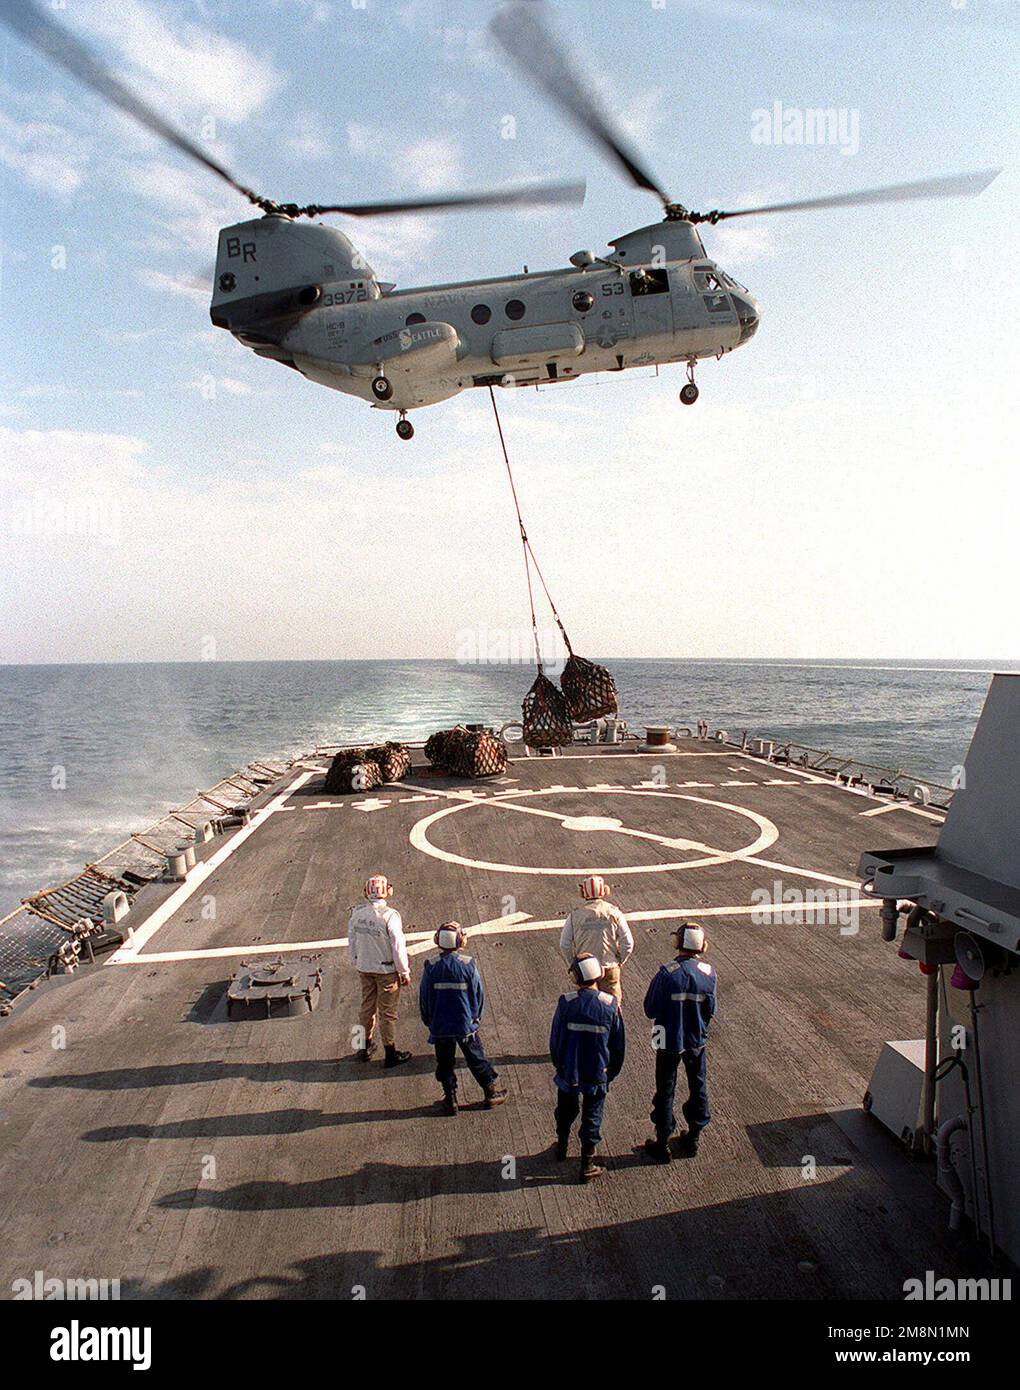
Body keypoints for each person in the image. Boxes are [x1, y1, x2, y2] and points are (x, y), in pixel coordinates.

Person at [642, 923, 717, 1162]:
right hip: (696, 1036)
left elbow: (650, 1009)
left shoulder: (667, 973)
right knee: (698, 1083)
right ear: (702, 947)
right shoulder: (709, 974)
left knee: (665, 1087)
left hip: (665, 1035)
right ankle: (694, 1136)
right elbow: (710, 1010)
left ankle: (662, 1141)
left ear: (677, 943)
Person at [549, 953, 626, 1183]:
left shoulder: (567, 1002)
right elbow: (618, 1044)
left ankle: (561, 1146)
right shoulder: (610, 1005)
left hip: (569, 1071)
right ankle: (587, 1162)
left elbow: (555, 1040)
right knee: (592, 1115)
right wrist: (610, 1073)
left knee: (564, 1110)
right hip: (597, 1072)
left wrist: (559, 1065)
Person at [418, 922, 508, 1115]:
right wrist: (476, 1019)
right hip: (465, 1025)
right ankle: (490, 1092)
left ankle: (450, 1099)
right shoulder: (468, 964)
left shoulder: (431, 966)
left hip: (440, 1026)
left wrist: (428, 1020)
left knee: (444, 1062)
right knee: (476, 1058)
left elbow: (424, 997)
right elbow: (478, 994)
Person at [347, 874, 411, 1068]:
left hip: (364, 968)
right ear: (386, 892)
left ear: (367, 892)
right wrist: (404, 971)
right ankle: (390, 1053)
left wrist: (357, 961)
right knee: (388, 1013)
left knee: (366, 1007)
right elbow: (398, 946)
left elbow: (352, 942)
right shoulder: (390, 915)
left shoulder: (356, 914)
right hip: (386, 971)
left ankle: (364, 1048)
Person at [559, 875, 634, 1005]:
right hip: (609, 967)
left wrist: (574, 964)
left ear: (583, 893)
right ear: (604, 891)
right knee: (612, 1010)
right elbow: (628, 943)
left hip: (584, 970)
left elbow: (564, 944)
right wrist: (619, 961)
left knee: (585, 1009)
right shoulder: (614, 913)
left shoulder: (575, 915)